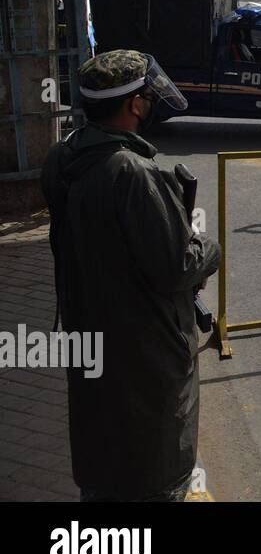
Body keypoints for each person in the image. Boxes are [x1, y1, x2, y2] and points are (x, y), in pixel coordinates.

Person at [41, 50, 222, 501]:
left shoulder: (62, 157)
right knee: (155, 473)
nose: (150, 104)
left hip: (92, 340)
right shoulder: (134, 173)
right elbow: (175, 267)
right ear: (135, 105)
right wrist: (209, 248)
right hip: (145, 358)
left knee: (103, 465)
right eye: (146, 97)